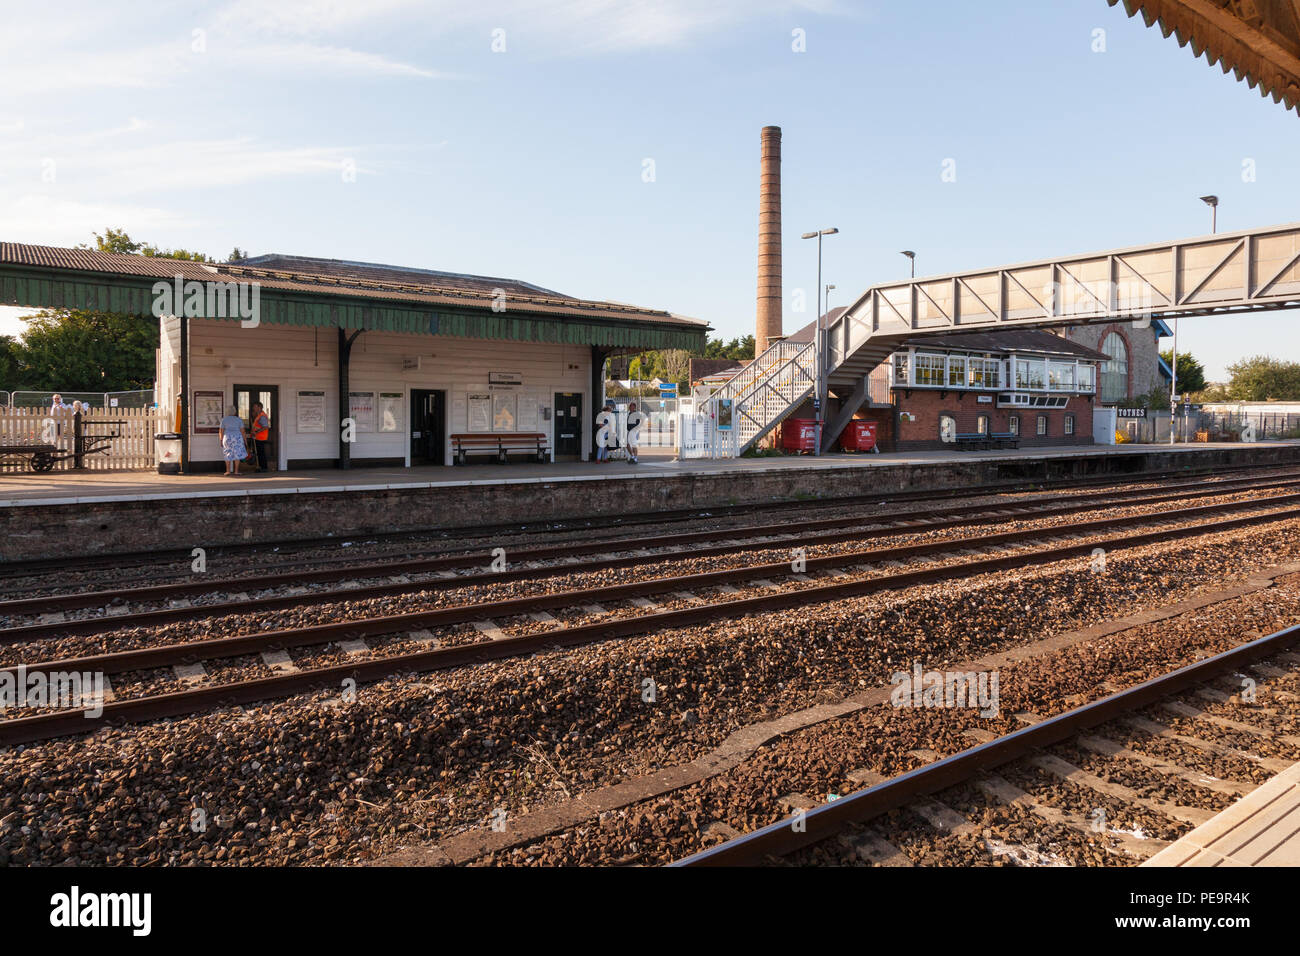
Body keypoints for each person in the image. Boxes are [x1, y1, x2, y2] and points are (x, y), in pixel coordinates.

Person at [219, 404, 248, 476]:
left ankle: (228, 471)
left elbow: (221, 431)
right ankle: (236, 471)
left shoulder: (224, 420)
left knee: (227, 453)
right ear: (235, 412)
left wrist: (221, 440)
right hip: (237, 437)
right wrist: (245, 441)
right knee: (237, 454)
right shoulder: (239, 420)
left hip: (227, 437)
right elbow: (243, 431)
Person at [250, 401, 271, 472]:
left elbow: (265, 427)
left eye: (255, 407)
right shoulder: (259, 416)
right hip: (258, 437)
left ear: (259, 407)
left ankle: (264, 467)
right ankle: (260, 466)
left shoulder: (262, 416)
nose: (253, 408)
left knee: (261, 453)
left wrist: (256, 432)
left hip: (261, 438)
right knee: (258, 453)